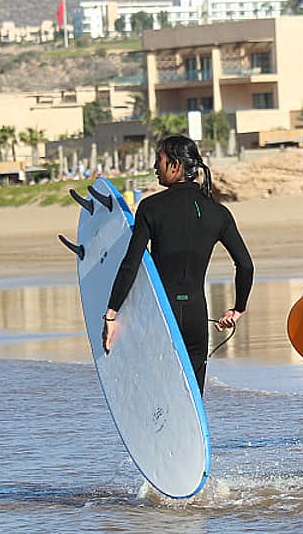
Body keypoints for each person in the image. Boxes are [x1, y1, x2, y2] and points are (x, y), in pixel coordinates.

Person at [102, 136, 253, 394]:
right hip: (195, 315)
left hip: (161, 314)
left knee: (158, 393)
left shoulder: (151, 207)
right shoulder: (218, 212)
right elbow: (246, 266)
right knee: (191, 397)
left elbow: (131, 263)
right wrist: (237, 309)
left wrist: (111, 314)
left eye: (159, 160)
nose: (154, 166)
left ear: (175, 164)